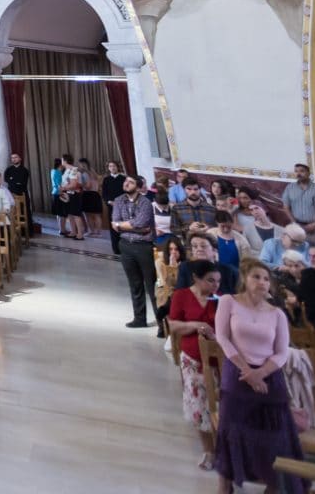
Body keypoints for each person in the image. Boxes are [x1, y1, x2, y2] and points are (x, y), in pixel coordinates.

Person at [211, 259, 303, 490]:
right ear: (245, 279)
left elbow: (282, 352)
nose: (262, 282)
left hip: (269, 377)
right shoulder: (228, 302)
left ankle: (273, 485)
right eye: (256, 277)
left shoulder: (277, 314)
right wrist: (248, 372)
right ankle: (226, 483)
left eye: (265, 278)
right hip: (238, 372)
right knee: (231, 430)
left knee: (275, 436)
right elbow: (222, 338)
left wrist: (261, 373)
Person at [168, 260, 223, 470]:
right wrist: (195, 325)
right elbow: (173, 324)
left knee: (220, 404)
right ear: (196, 278)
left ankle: (224, 448)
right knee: (200, 405)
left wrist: (213, 334)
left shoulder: (219, 300)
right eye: (210, 281)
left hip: (219, 360)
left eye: (218, 281)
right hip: (193, 358)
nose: (215, 285)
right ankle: (209, 450)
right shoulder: (182, 296)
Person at [109, 174, 160, 329]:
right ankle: (139, 318)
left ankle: (161, 322)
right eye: (126, 181)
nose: (126, 184)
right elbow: (114, 222)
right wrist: (135, 227)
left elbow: (143, 222)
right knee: (135, 284)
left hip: (143, 246)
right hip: (126, 245)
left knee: (151, 285)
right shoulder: (119, 200)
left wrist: (121, 225)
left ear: (138, 187)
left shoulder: (145, 202)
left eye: (130, 182)